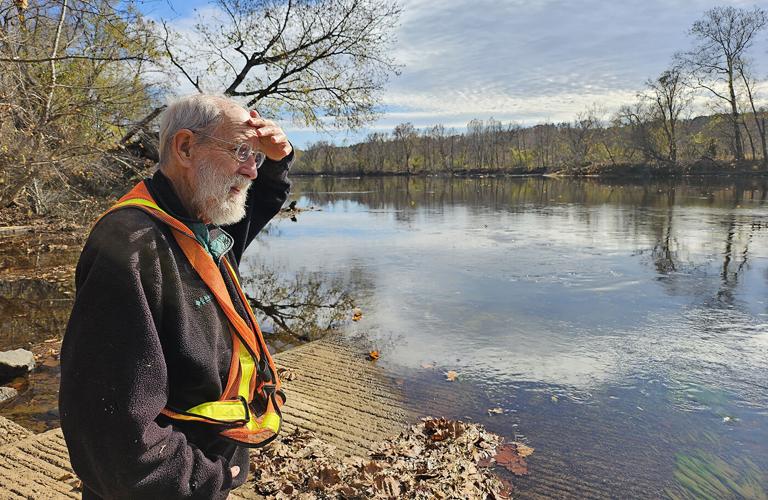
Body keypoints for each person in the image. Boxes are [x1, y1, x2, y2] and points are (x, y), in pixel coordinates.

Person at [59, 94, 293, 499]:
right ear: (185, 148)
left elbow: (257, 202)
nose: (251, 171)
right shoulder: (130, 247)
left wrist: (277, 158)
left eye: (255, 158)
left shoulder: (197, 220)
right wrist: (208, 478)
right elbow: (116, 440)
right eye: (241, 151)